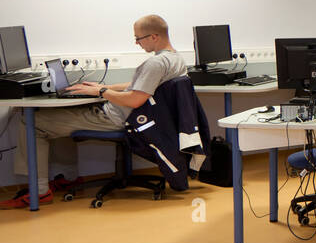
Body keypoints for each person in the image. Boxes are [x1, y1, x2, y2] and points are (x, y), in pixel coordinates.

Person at [3, 14, 187, 209]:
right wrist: (105, 87)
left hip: (116, 118)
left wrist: (100, 91)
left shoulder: (155, 64)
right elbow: (138, 86)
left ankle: (39, 192)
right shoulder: (175, 60)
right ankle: (68, 178)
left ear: (154, 36)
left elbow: (135, 99)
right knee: (58, 119)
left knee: (34, 122)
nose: (136, 43)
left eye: (138, 38)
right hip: (132, 116)